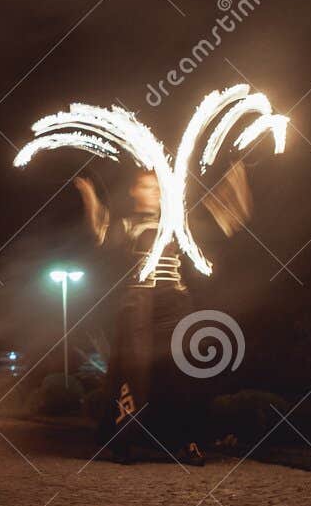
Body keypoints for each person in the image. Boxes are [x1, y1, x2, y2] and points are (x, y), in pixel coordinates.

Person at [74, 163, 251, 466]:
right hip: (138, 304)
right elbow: (101, 234)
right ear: (134, 191)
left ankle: (188, 441)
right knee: (134, 373)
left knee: (180, 372)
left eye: (157, 188)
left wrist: (237, 184)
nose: (152, 193)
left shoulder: (178, 222)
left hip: (173, 304)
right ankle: (124, 441)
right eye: (145, 186)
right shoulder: (129, 224)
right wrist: (90, 197)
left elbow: (231, 220)